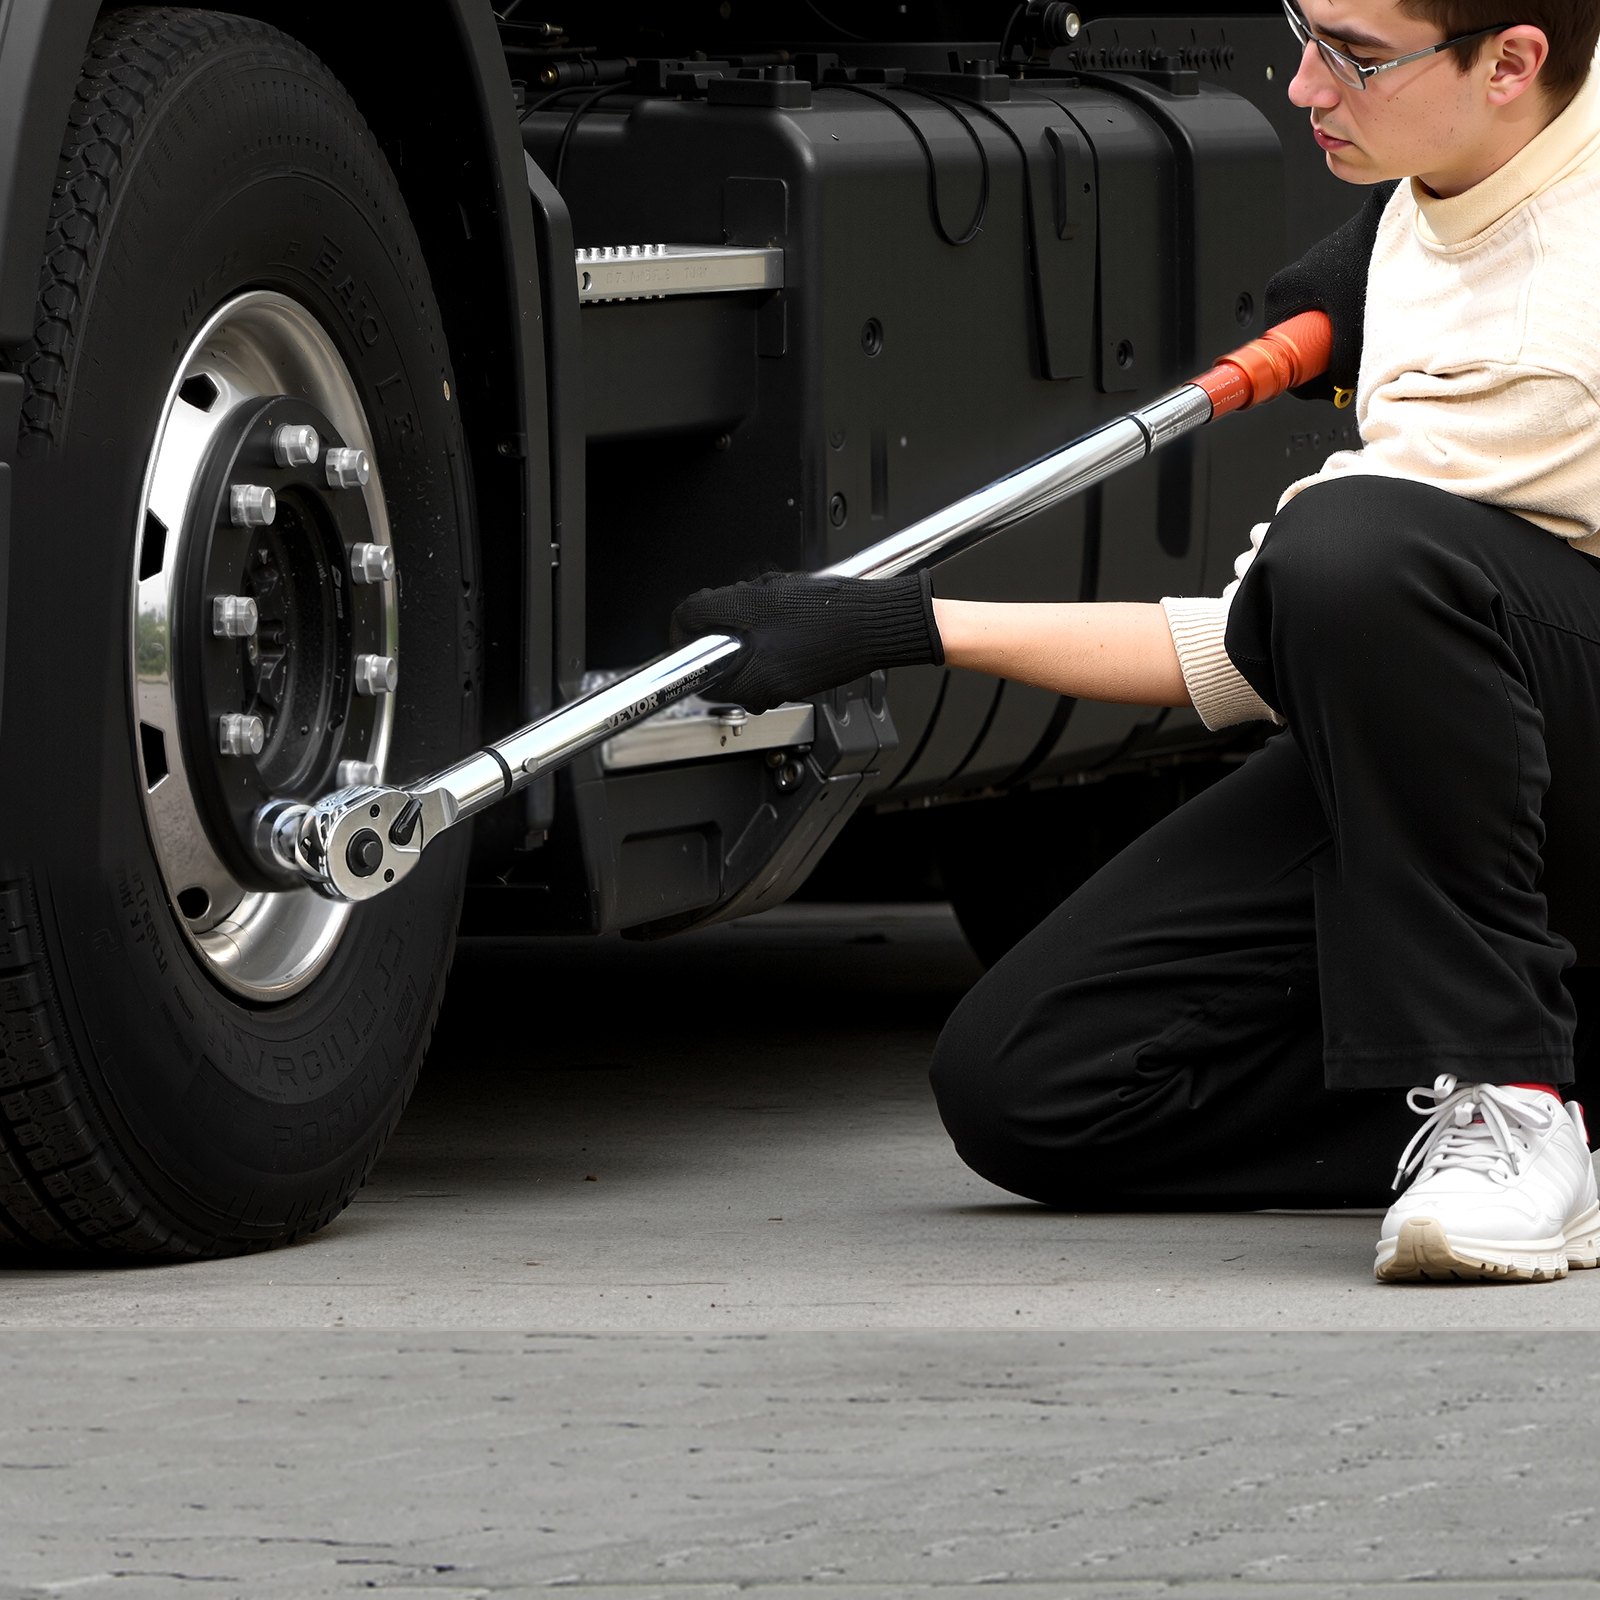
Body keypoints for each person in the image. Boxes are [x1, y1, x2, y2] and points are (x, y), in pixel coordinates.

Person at [671, 0, 1600, 1284]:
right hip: (1491, 731)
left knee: (1349, 559)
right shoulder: (1504, 139)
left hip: (1557, 740)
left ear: (1510, 62)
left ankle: (1511, 1093)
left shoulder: (1543, 343)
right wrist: (1407, 229)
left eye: (1354, 58)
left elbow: (1255, 648)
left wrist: (897, 626)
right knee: (1033, 1084)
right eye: (1302, 27)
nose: (1301, 87)